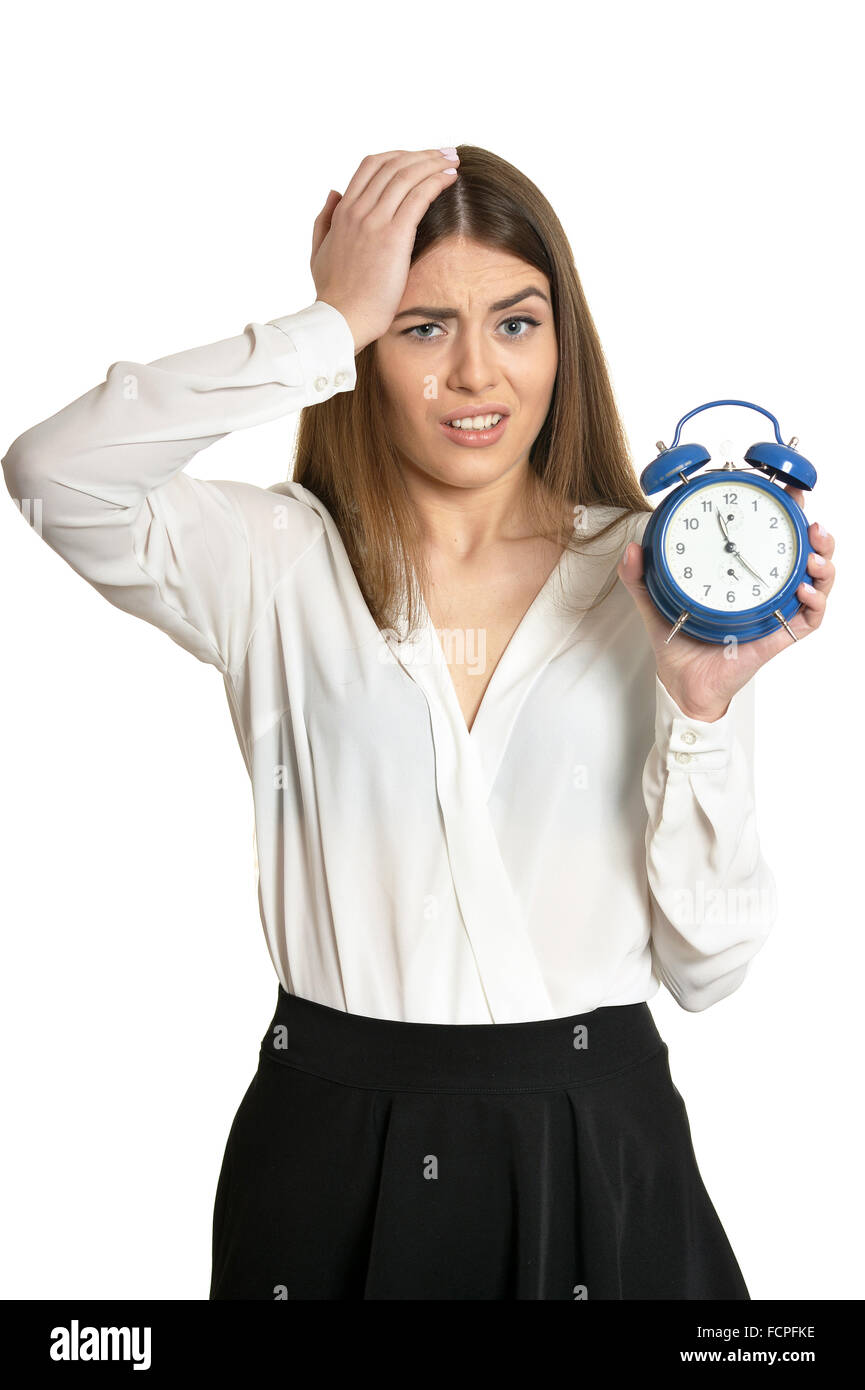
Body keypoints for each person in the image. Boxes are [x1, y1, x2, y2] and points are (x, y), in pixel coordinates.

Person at [1, 145, 835, 1301]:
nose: (476, 374)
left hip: (598, 1149)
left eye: (516, 321)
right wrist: (321, 321)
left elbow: (709, 969)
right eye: (421, 327)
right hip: (331, 1147)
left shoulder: (655, 571)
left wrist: (699, 710)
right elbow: (54, 472)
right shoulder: (272, 560)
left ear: (563, 337)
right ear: (366, 352)